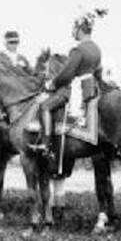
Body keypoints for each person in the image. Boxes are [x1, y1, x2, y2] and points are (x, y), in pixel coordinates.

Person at [37, 8, 106, 155]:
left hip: (78, 89)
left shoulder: (78, 50)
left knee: (45, 107)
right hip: (92, 88)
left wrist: (52, 84)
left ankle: (46, 144)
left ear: (81, 29)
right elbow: (98, 71)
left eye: (75, 29)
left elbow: (67, 75)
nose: (73, 32)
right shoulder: (96, 49)